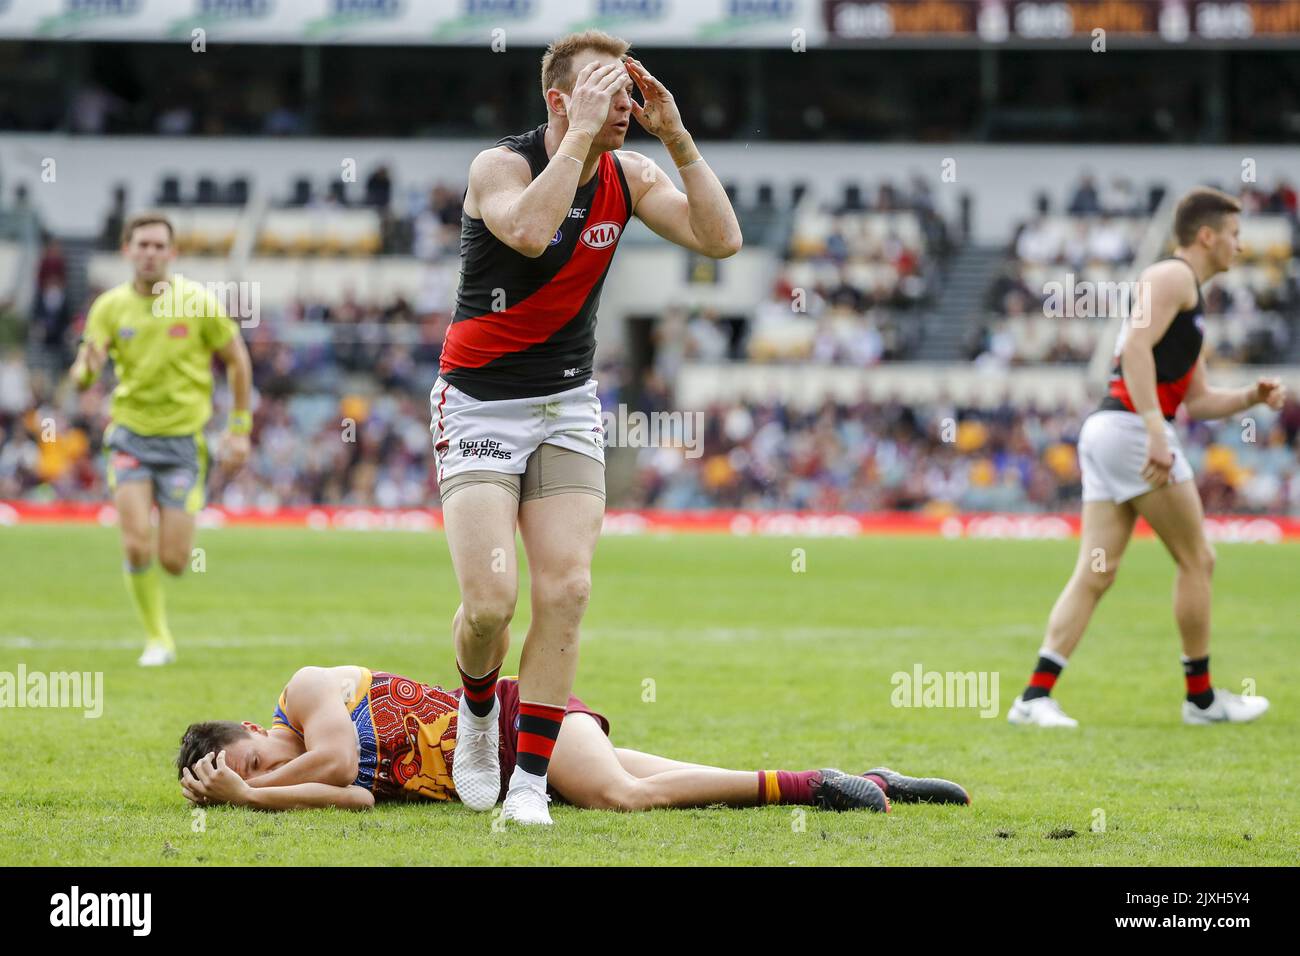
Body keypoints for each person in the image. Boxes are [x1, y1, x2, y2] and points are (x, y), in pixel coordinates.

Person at [433, 29, 743, 824]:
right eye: (608, 91)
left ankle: (530, 784)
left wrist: (674, 134)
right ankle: (475, 714)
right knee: (491, 605)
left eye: (631, 91)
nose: (625, 109)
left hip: (566, 405)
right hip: (479, 405)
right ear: (559, 100)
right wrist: (577, 139)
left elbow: (722, 239)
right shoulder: (499, 167)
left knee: (567, 587)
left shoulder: (631, 175)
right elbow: (532, 232)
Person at [1008, 188, 1286, 728]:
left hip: (1113, 430)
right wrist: (1157, 433)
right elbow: (1135, 348)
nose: (1240, 245)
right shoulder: (1173, 277)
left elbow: (1198, 399)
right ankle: (1201, 700)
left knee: (1097, 570)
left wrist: (1250, 395)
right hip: (1133, 430)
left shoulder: (1186, 293)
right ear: (1206, 236)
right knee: (1197, 558)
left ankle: (1034, 697)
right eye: (1233, 234)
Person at [176, 665, 971, 813]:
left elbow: (339, 761)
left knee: (622, 797)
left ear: (255, 728)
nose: (264, 770)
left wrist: (251, 791)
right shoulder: (285, 780)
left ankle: (809, 790)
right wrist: (252, 797)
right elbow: (349, 797)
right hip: (523, 761)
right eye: (252, 774)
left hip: (525, 719)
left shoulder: (306, 691)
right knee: (672, 777)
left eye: (253, 759)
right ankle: (864, 777)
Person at [69, 213, 253, 666]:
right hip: (130, 436)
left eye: (158, 246)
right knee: (134, 543)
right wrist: (87, 368)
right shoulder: (108, 307)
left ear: (172, 253)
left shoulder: (196, 302)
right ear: (127, 250)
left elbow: (238, 361)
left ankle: (164, 590)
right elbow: (80, 376)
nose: (149, 253)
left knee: (173, 560)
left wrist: (239, 429)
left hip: (183, 444)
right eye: (141, 245)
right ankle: (158, 639)